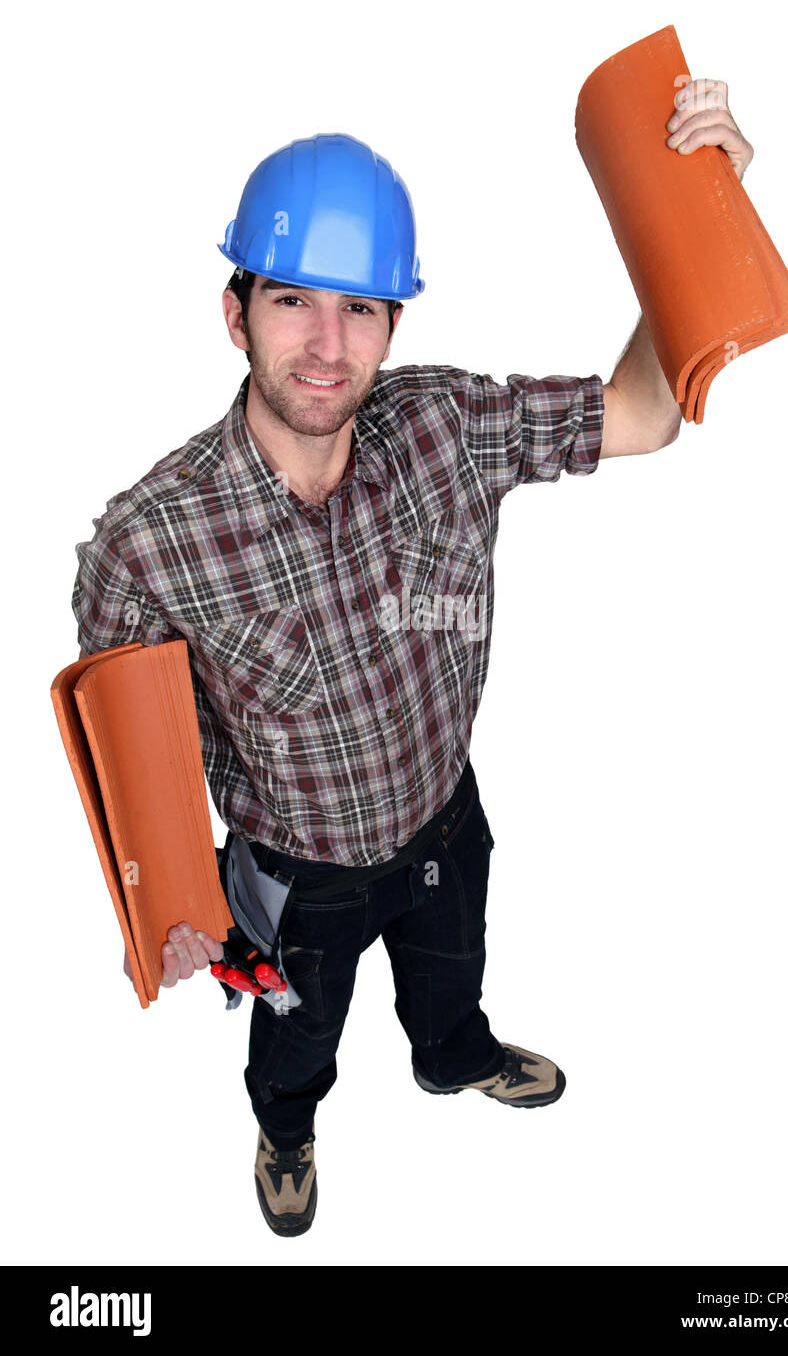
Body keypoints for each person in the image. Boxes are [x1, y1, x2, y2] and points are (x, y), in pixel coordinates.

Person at [72, 97, 753, 1237]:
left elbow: (643, 411)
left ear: (393, 324)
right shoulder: (149, 542)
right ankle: (285, 1127)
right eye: (291, 300)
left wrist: (697, 205)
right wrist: (173, 908)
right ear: (235, 313)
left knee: (450, 977)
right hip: (292, 879)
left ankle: (452, 1055)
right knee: (294, 1036)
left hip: (443, 825)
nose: (327, 346)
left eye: (360, 309)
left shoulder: (444, 424)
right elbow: (130, 773)